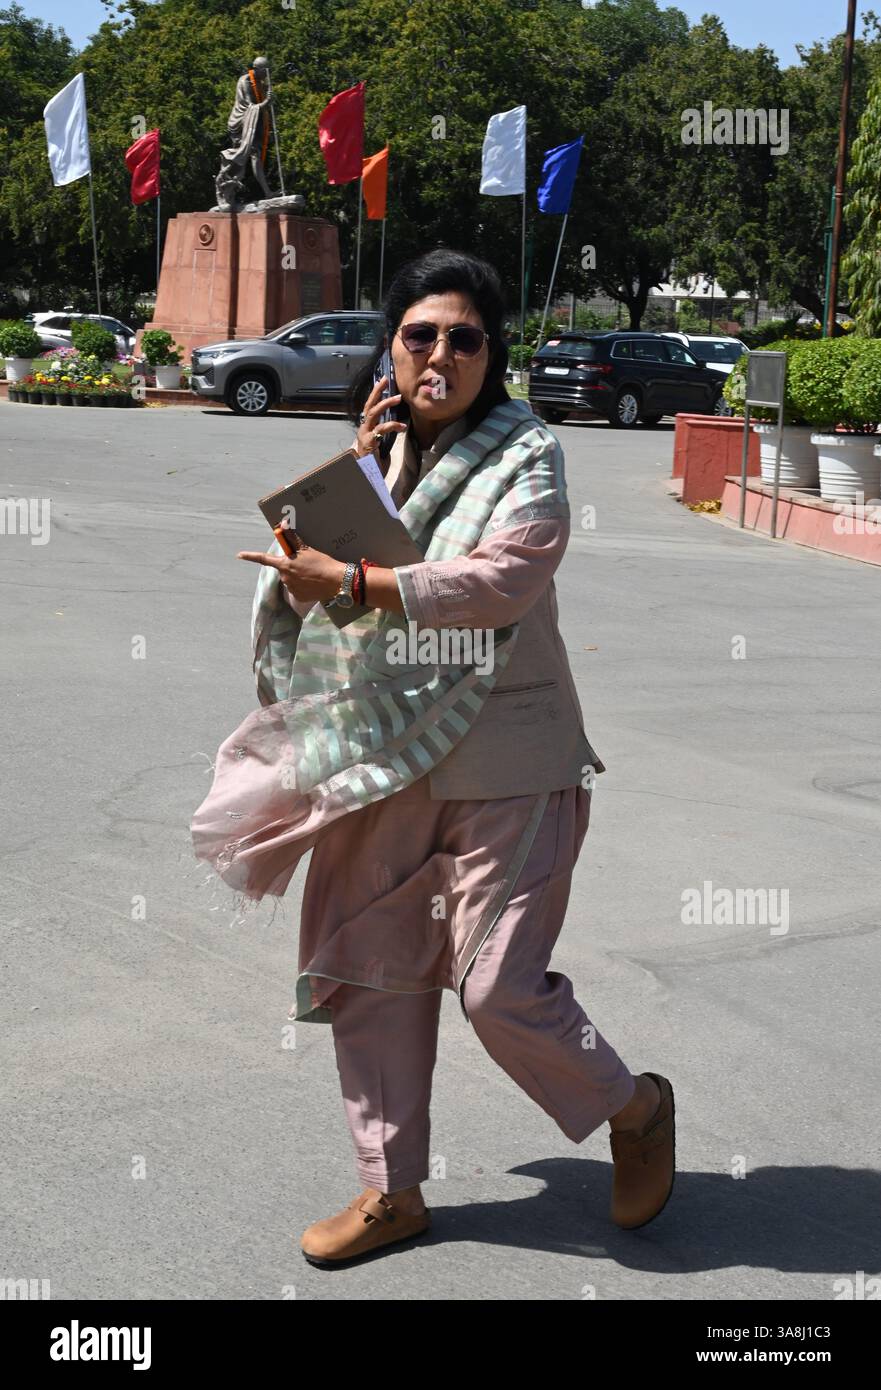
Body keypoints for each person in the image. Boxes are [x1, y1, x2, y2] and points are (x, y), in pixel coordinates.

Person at [191, 249, 675, 1269]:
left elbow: (501, 577)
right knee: (371, 974)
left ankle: (629, 1107)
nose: (439, 353)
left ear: (489, 354)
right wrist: (327, 529)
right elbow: (308, 592)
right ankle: (390, 1188)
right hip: (381, 754)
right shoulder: (378, 454)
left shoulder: (526, 454)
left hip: (511, 762)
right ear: (391, 347)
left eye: (463, 336)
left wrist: (357, 578)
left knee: (497, 989)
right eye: (419, 334)